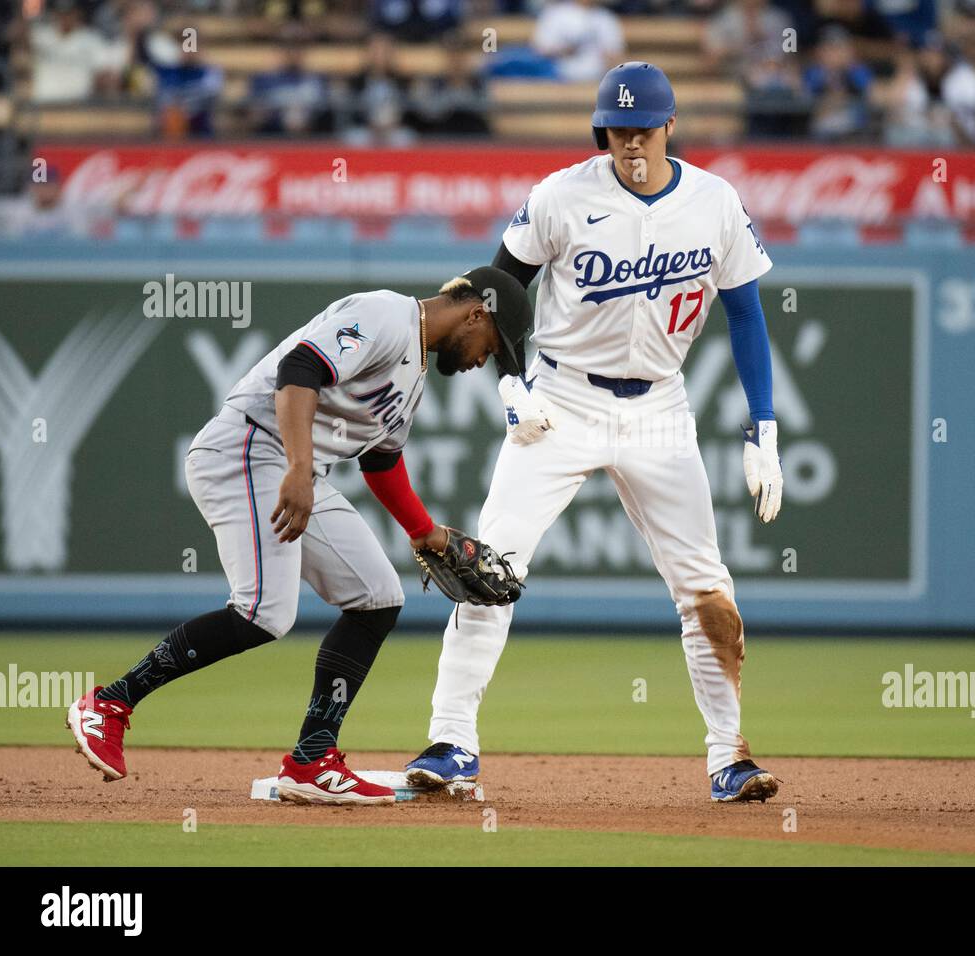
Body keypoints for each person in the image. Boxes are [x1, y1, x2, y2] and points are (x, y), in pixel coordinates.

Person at [409, 62, 784, 803]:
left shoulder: (714, 202)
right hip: (564, 399)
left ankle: (728, 757)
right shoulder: (562, 194)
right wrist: (512, 387)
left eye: (643, 128)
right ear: (600, 132)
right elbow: (491, 289)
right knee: (490, 573)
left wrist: (762, 426)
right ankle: (453, 742)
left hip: (660, 411)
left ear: (670, 125)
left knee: (707, 592)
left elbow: (747, 315)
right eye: (618, 130)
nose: (631, 142)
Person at [67, 268, 533, 805]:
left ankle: (312, 759)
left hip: (292, 469)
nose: (482, 361)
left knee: (378, 597)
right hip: (248, 447)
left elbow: (382, 462)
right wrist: (298, 465)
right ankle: (111, 703)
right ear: (476, 314)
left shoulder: (414, 373)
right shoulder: (387, 315)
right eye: (491, 346)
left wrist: (424, 532)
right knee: (263, 611)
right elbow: (301, 367)